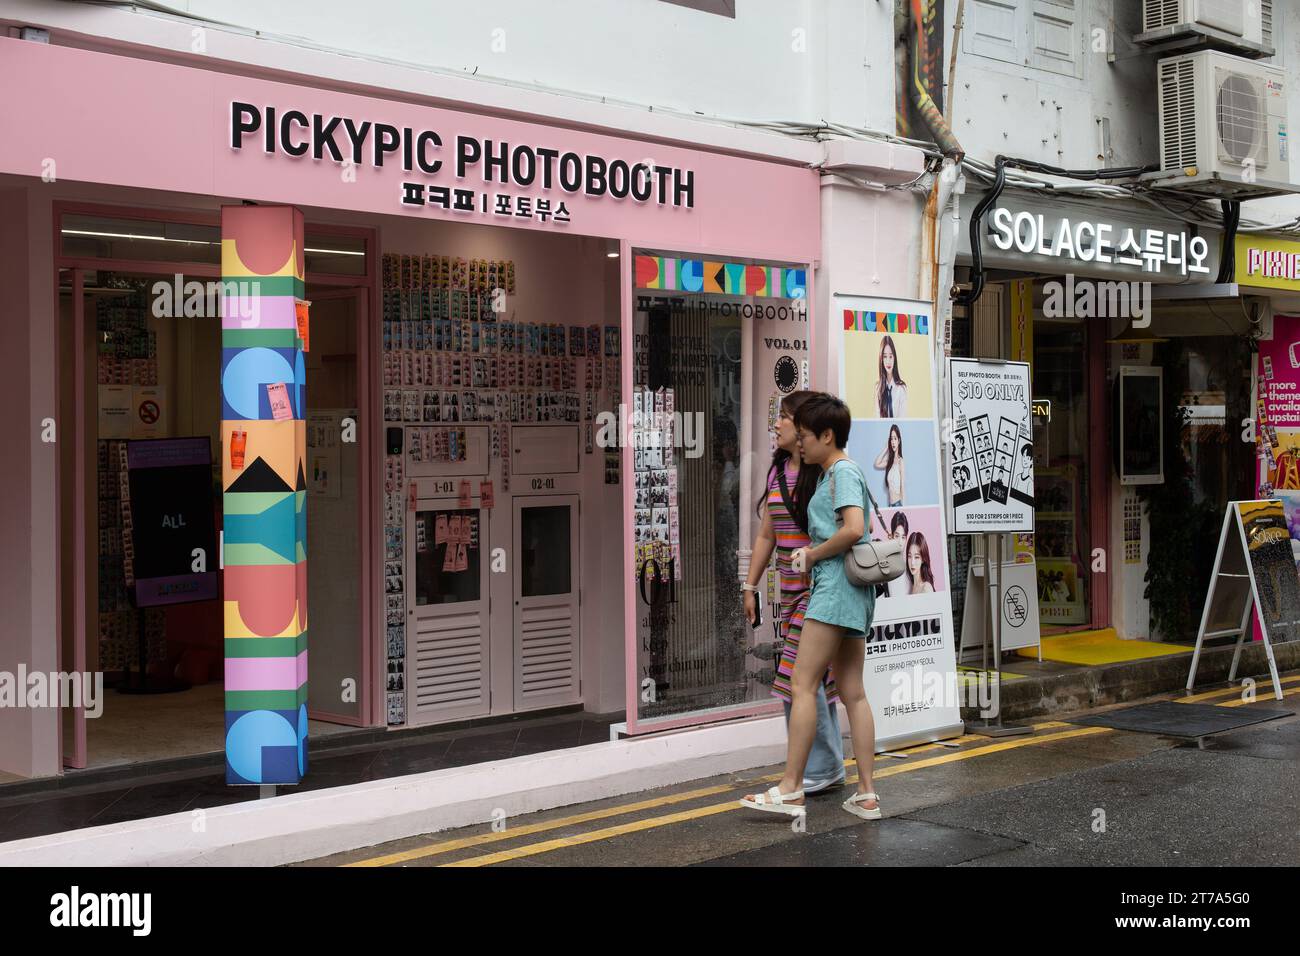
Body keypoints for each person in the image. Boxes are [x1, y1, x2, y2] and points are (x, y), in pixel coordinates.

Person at [742, 393, 880, 821]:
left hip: (832, 591)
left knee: (802, 685)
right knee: (852, 692)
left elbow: (854, 529)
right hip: (848, 594)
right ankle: (867, 794)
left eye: (804, 435)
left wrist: (813, 555)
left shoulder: (841, 472)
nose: (799, 443)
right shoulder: (830, 472)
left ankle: (791, 787)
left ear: (827, 435)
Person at [742, 390, 845, 793]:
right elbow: (768, 534)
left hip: (818, 591)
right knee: (815, 682)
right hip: (788, 593)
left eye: (785, 418)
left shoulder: (825, 474)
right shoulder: (776, 472)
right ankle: (827, 764)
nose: (778, 424)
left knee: (795, 680)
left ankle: (817, 770)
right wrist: (750, 586)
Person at [876, 335, 908, 418]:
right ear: (881, 359)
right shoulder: (878, 388)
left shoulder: (901, 389)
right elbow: (877, 419)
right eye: (885, 357)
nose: (888, 361)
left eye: (890, 356)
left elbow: (903, 419)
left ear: (894, 358)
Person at [873, 423, 905, 506]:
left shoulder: (900, 461)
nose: (893, 442)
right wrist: (886, 448)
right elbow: (877, 463)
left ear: (899, 440)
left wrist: (904, 507)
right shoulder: (889, 461)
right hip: (890, 505)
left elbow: (902, 485)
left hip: (898, 503)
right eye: (891, 439)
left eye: (895, 438)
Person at [886, 511, 910, 598]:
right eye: (896, 536)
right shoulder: (885, 567)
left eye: (903, 537)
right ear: (891, 536)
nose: (900, 542)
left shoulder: (910, 567)